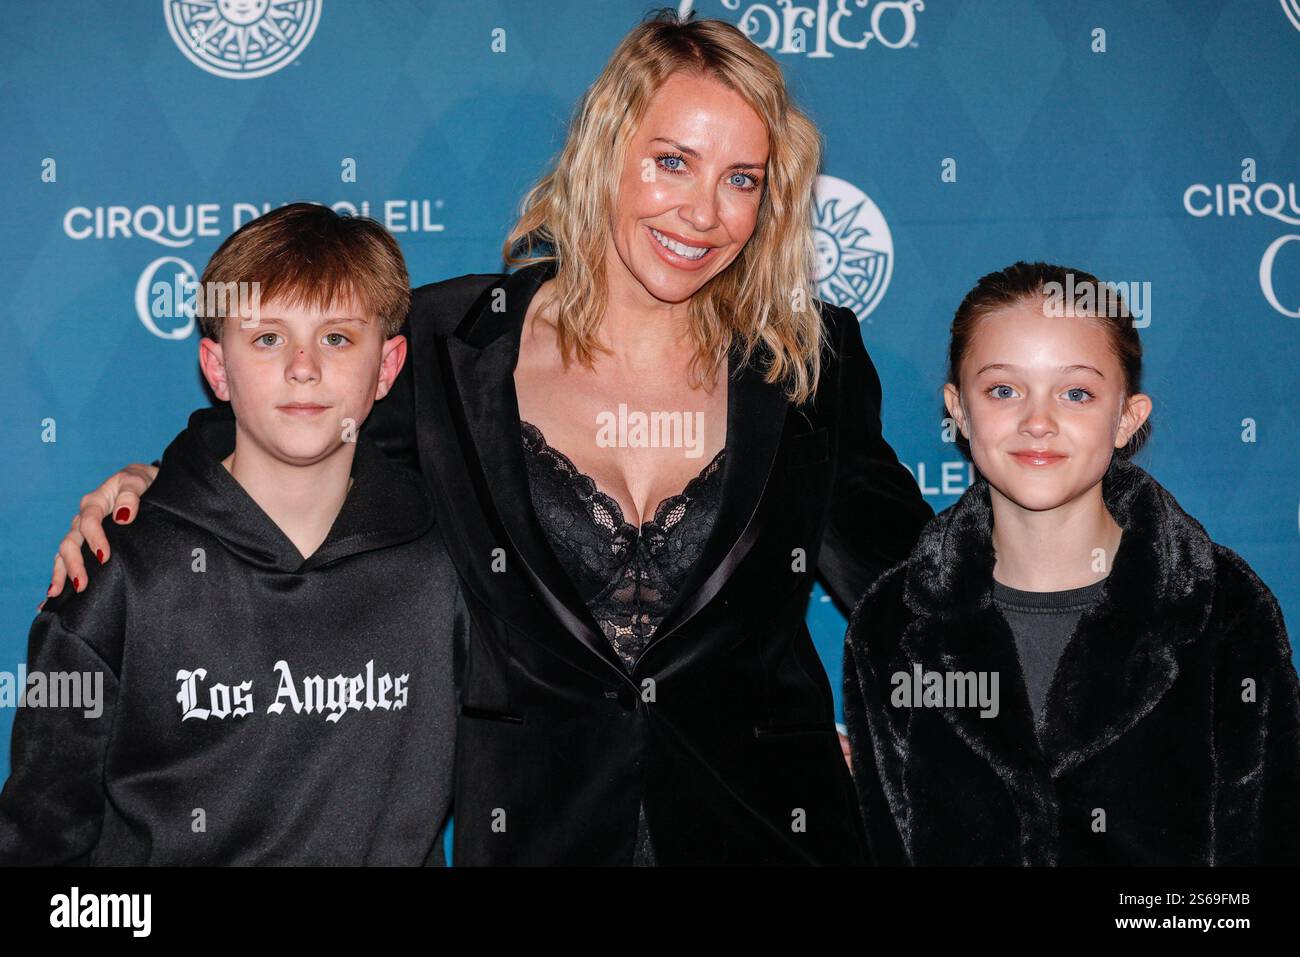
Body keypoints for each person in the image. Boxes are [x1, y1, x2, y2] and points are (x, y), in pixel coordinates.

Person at [45, 12, 933, 865]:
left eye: (741, 178)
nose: (703, 213)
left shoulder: (805, 360)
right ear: (605, 152)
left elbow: (917, 595)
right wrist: (160, 482)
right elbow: (291, 419)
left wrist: (893, 752)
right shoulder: (453, 344)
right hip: (539, 836)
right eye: (672, 161)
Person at [1, 203, 466, 865]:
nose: (303, 367)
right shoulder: (120, 570)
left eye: (337, 338)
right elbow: (37, 847)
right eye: (268, 338)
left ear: (388, 367)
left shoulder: (446, 567)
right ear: (217, 368)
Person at [842, 261, 1300, 865]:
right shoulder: (892, 625)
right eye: (1003, 390)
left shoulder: (1223, 608)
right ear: (957, 408)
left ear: (1127, 418)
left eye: (1076, 393)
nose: (1038, 422)